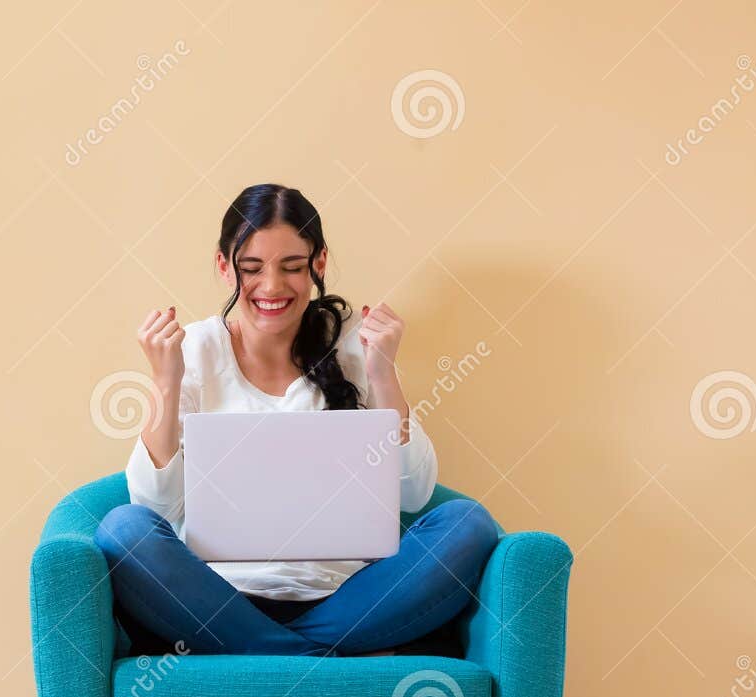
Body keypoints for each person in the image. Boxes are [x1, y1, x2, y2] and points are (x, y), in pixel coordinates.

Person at [94, 183, 498, 657]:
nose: (271, 287)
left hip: (348, 600)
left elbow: (414, 493)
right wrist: (165, 379)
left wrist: (384, 374)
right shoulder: (194, 351)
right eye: (251, 268)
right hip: (217, 598)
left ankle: (270, 655)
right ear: (224, 268)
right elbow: (155, 510)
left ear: (319, 263)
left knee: (467, 523)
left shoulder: (354, 347)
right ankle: (310, 658)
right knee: (123, 530)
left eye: (292, 267)